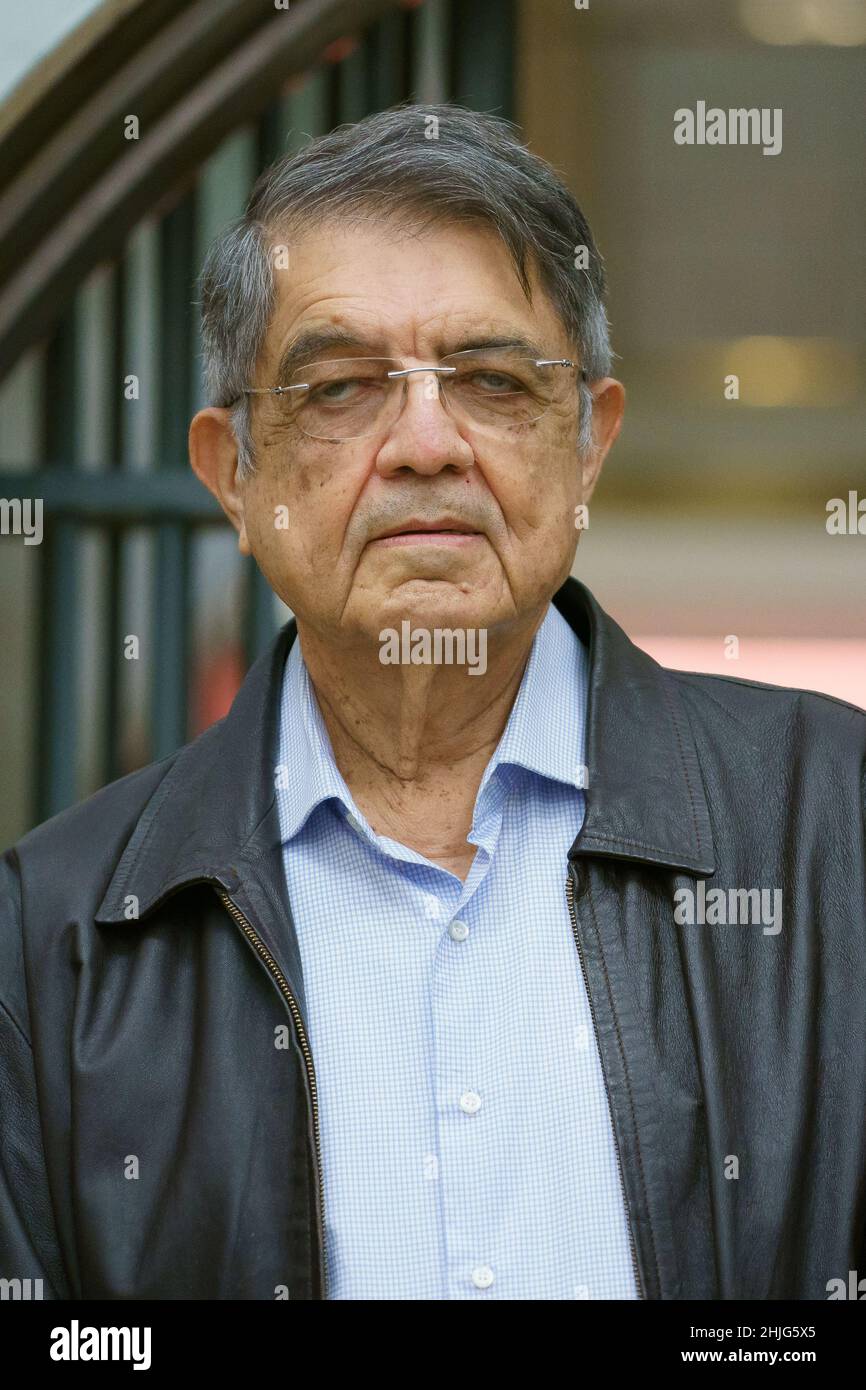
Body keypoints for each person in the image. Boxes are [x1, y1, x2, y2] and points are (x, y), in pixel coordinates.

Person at [1, 102, 863, 1301]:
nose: (423, 443)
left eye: (493, 378)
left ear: (587, 446)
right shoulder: (56, 938)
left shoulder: (834, 829)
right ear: (232, 478)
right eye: (343, 385)